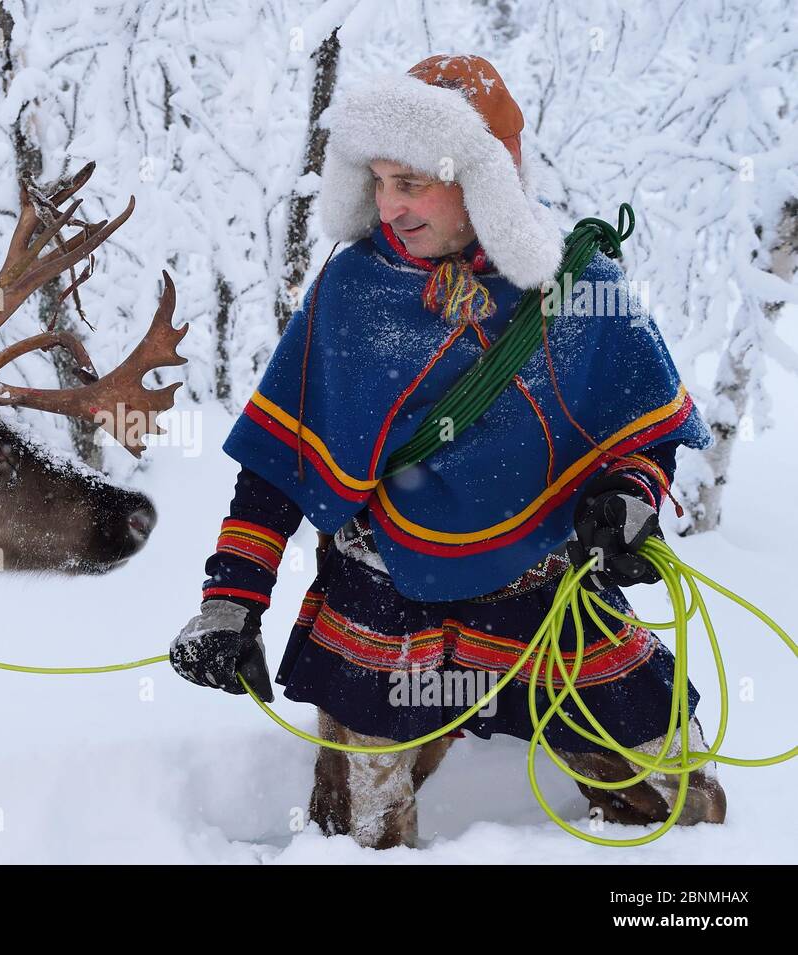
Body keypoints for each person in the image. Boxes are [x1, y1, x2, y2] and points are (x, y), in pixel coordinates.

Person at [169, 54, 727, 849]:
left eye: (414, 183)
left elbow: (645, 438)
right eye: (381, 181)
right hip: (387, 604)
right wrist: (231, 603)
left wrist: (629, 498)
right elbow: (275, 468)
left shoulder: (580, 288)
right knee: (362, 835)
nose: (390, 207)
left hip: (547, 598)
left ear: (487, 177)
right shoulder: (353, 290)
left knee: (683, 805)